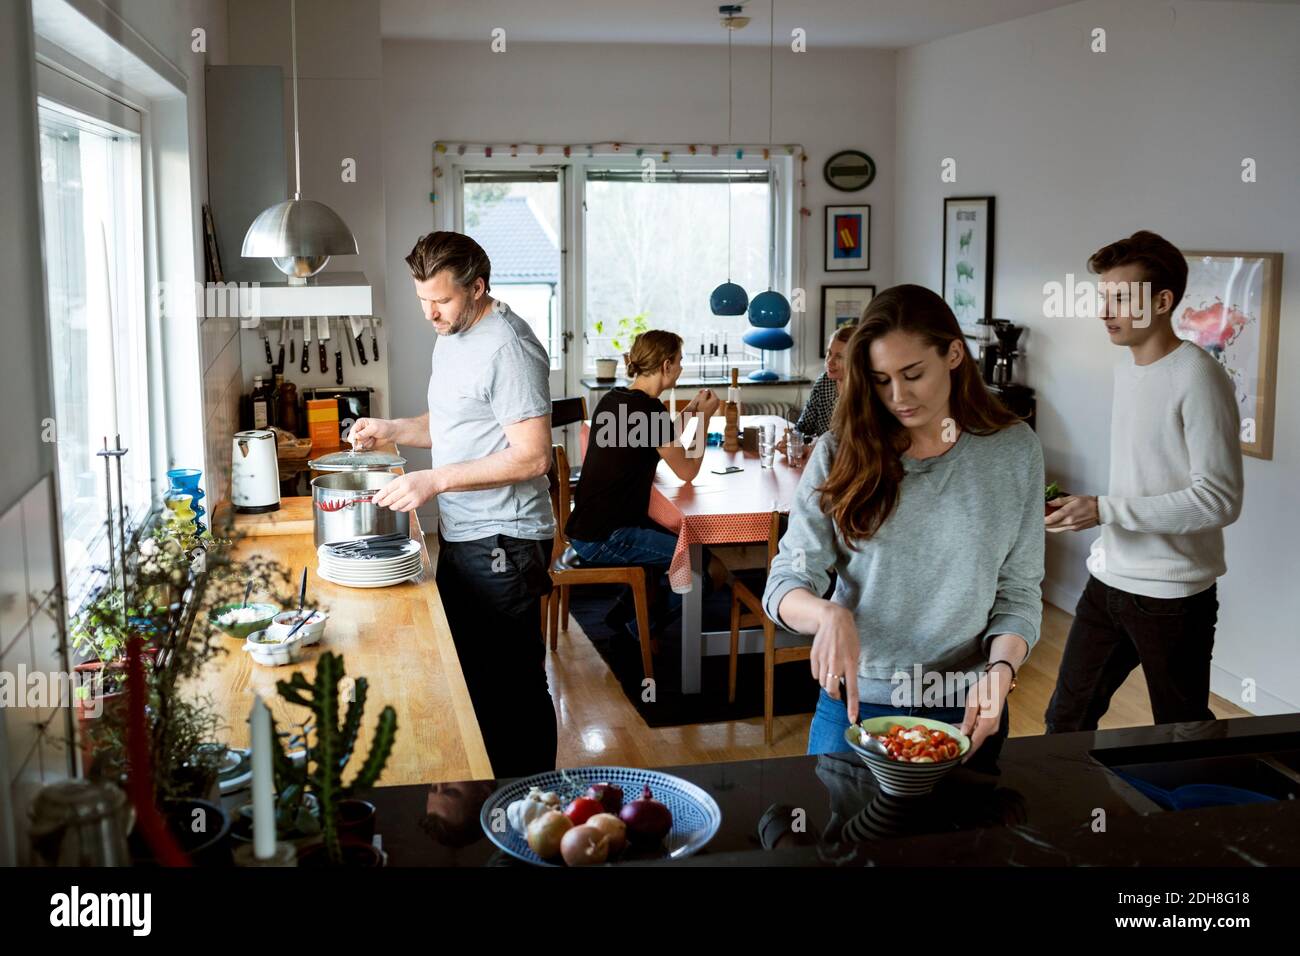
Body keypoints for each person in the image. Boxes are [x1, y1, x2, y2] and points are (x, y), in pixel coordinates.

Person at [761, 284, 1044, 764]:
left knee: (964, 841)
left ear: (954, 354)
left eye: (913, 374)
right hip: (856, 705)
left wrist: (1002, 667)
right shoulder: (839, 452)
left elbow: (1018, 590)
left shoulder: (1014, 452)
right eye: (880, 379)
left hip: (965, 706)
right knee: (837, 838)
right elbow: (787, 579)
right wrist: (825, 613)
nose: (898, 397)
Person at [350, 231, 557, 778]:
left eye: (440, 301)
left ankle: (528, 803)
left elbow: (533, 457)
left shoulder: (509, 347)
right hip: (469, 534)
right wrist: (392, 428)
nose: (430, 314)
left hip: (505, 539)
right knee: (476, 675)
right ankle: (499, 801)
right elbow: (454, 425)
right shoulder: (455, 334)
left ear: (477, 287)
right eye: (423, 300)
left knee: (510, 683)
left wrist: (435, 481)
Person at [1044, 230, 1243, 732]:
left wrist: (1104, 510)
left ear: (1162, 301)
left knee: (1181, 731)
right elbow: (1145, 479)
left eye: (1120, 299)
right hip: (1108, 578)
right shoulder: (1128, 369)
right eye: (1103, 298)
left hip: (1172, 599)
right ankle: (1065, 814)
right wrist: (1087, 508)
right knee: (1065, 720)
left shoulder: (1198, 376)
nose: (1105, 311)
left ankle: (1213, 811)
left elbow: (1218, 501)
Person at [565, 330, 720, 632]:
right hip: (607, 536)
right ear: (666, 366)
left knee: (690, 556)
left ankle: (628, 610)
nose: (681, 367)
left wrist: (691, 411)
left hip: (586, 526)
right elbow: (687, 472)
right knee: (702, 567)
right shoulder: (651, 412)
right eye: (679, 361)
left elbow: (654, 440)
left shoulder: (615, 399)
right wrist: (705, 420)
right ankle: (639, 629)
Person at [778, 324, 852, 455]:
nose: (830, 361)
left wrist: (807, 449)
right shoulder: (824, 382)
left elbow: (849, 448)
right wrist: (792, 439)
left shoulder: (866, 391)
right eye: (829, 353)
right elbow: (804, 427)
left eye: (839, 357)